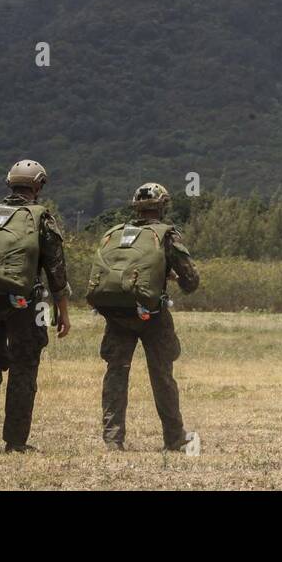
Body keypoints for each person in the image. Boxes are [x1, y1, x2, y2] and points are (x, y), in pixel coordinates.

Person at [0, 160, 70, 453]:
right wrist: (62, 312)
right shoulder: (41, 217)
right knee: (24, 364)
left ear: (10, 183)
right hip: (25, 303)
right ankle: (15, 440)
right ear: (37, 186)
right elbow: (56, 271)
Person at [89, 183, 199, 452]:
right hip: (153, 316)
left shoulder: (114, 234)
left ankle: (113, 439)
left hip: (117, 315)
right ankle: (173, 437)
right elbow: (191, 281)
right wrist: (172, 278)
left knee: (116, 374)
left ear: (135, 206)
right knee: (162, 375)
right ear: (162, 207)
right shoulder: (166, 235)